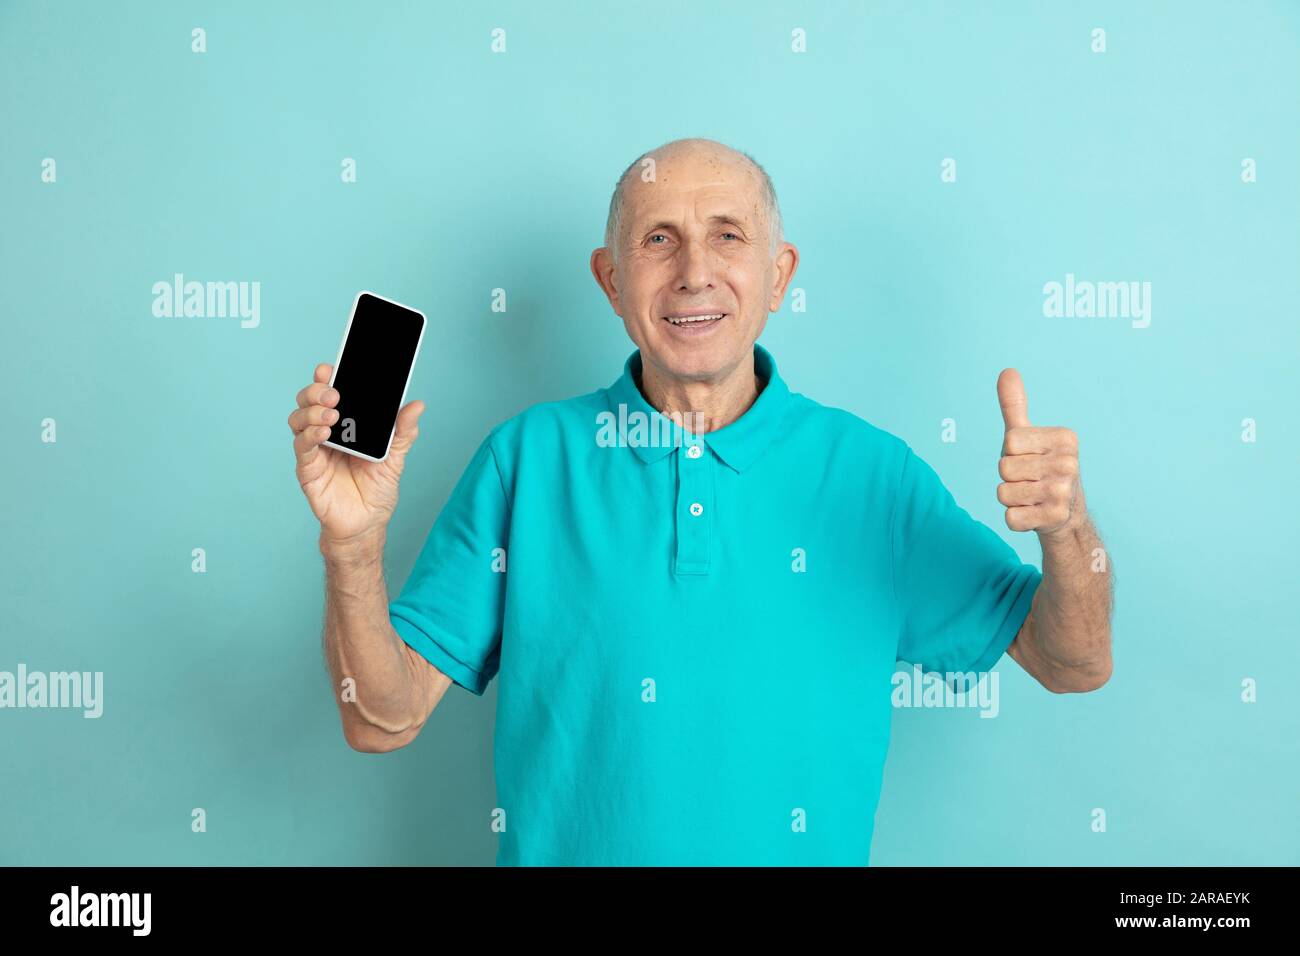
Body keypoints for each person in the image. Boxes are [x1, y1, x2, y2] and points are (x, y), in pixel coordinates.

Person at [288, 137, 1113, 865]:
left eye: (728, 236)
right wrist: (351, 548)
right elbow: (379, 721)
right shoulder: (525, 460)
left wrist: (1068, 531)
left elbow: (1072, 662)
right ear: (611, 280)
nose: (694, 272)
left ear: (778, 274)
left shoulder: (874, 477)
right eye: (658, 240)